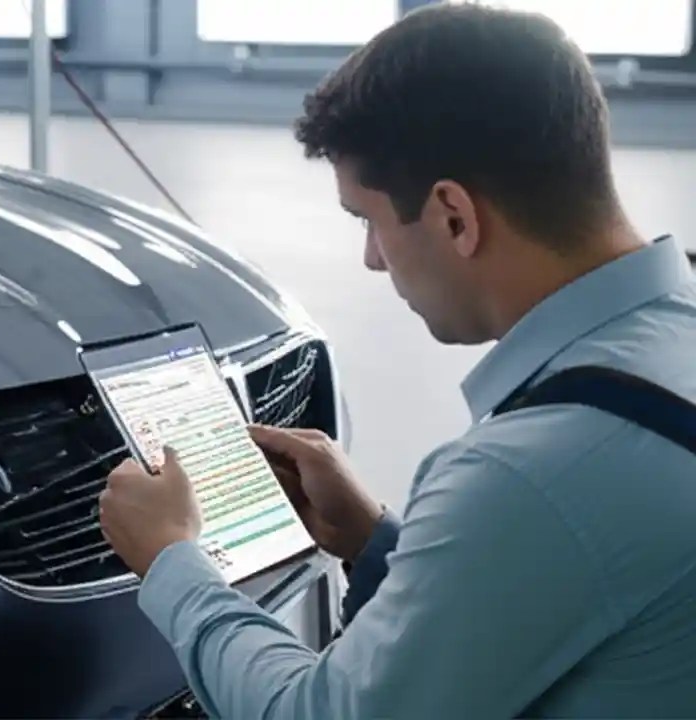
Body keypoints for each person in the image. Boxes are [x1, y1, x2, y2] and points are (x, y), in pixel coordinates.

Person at [97, 4, 696, 718]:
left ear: (454, 216)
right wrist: (377, 543)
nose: (372, 259)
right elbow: (553, 597)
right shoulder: (669, 342)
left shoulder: (529, 470)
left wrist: (172, 562)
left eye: (369, 221)